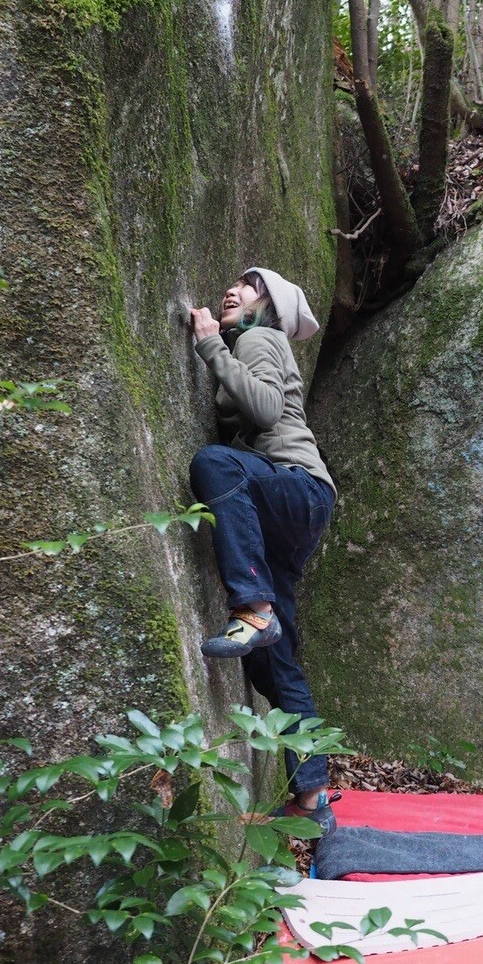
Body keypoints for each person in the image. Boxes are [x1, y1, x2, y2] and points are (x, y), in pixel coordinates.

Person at [188, 267, 338, 830]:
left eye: (249, 286)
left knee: (213, 462)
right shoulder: (253, 342)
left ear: (267, 306)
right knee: (274, 664)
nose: (233, 288)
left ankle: (252, 607)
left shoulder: (259, 337)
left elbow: (268, 411)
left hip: (293, 484)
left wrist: (208, 344)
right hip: (297, 506)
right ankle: (312, 795)